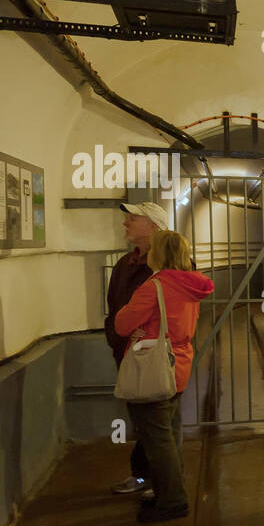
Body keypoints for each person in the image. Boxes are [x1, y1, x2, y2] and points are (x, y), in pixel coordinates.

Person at [114, 230, 214, 523]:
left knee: (157, 441)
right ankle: (169, 491)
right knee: (169, 434)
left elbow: (122, 324)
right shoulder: (192, 284)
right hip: (179, 364)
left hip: (154, 368)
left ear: (160, 254)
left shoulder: (154, 286)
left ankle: (172, 501)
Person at [104, 202, 165, 495]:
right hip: (127, 353)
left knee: (155, 422)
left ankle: (160, 481)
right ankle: (144, 476)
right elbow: (114, 307)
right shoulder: (125, 264)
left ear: (153, 227)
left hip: (153, 354)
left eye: (133, 219)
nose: (125, 223)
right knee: (141, 419)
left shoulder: (168, 265)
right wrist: (116, 339)